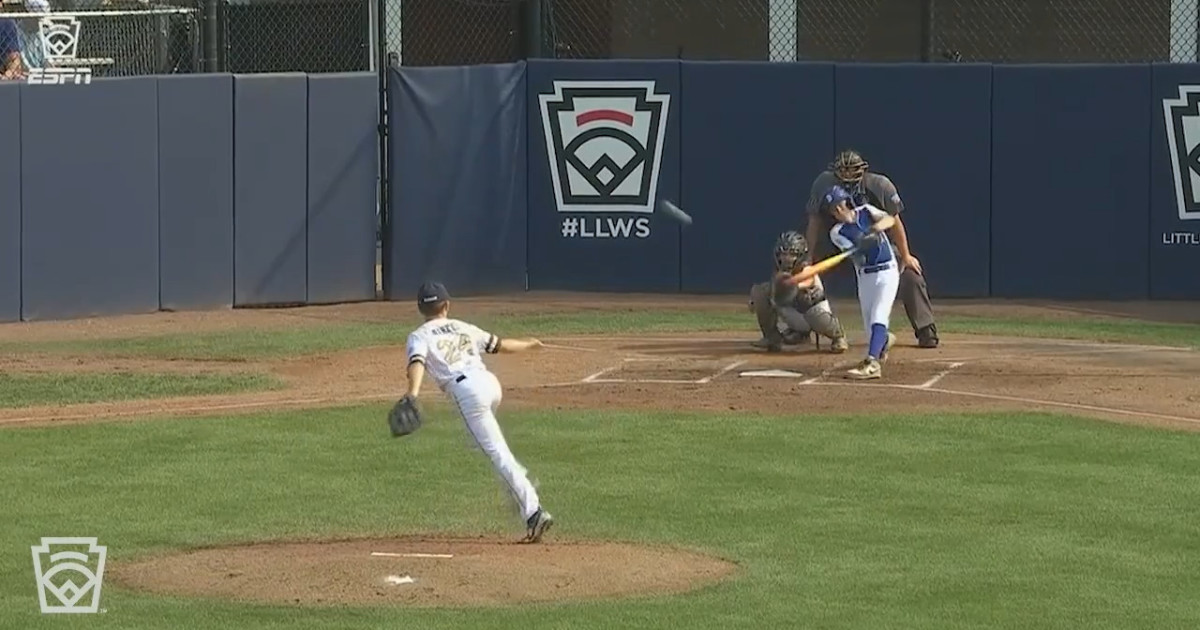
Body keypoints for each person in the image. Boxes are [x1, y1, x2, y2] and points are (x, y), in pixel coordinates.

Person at [402, 281, 554, 543]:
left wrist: (413, 394)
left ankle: (533, 511)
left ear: (420, 309)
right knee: (481, 443)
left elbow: (417, 363)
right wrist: (529, 344)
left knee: (497, 452)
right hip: (490, 384)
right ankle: (519, 488)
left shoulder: (419, 336)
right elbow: (501, 345)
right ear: (446, 305)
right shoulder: (463, 326)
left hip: (468, 394)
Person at [804, 150, 939, 348]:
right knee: (803, 272)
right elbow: (814, 222)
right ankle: (807, 329)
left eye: (853, 172)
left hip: (876, 245)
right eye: (844, 172)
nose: (848, 177)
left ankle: (925, 328)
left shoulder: (878, 186)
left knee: (910, 274)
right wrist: (808, 258)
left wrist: (906, 255)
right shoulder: (824, 184)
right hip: (837, 245)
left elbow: (893, 222)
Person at [818, 185, 897, 380]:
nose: (837, 210)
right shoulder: (837, 232)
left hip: (888, 272)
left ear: (846, 201)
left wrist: (875, 229)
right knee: (871, 330)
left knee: (880, 314)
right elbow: (858, 259)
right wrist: (862, 244)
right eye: (832, 209)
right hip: (865, 276)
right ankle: (884, 340)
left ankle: (872, 363)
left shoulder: (866, 211)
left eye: (839, 204)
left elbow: (890, 219)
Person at [749, 230, 849, 353]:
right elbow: (776, 291)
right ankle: (773, 338)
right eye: (783, 254)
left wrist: (795, 285)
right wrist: (760, 300)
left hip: (816, 315)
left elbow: (809, 281)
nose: (786, 258)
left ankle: (838, 336)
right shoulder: (779, 271)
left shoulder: (806, 269)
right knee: (761, 291)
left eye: (792, 254)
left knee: (807, 298)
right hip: (796, 317)